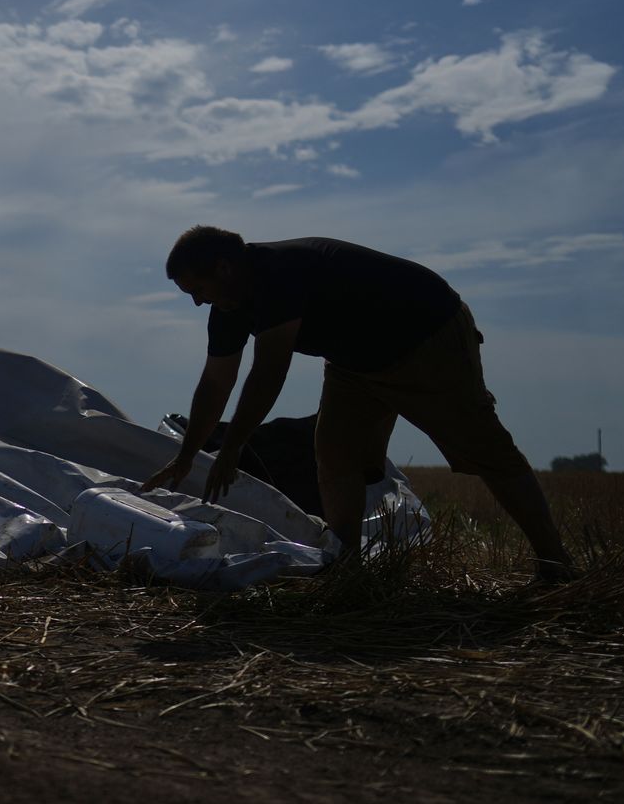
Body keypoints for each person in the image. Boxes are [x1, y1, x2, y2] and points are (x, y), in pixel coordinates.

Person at [139, 227, 573, 582]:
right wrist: (187, 455)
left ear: (224, 266)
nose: (198, 302)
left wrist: (233, 447)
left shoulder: (277, 273)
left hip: (425, 336)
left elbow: (269, 371)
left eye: (198, 289)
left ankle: (555, 564)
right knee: (335, 455)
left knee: (484, 449)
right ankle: (346, 568)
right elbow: (216, 382)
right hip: (355, 363)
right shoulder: (228, 306)